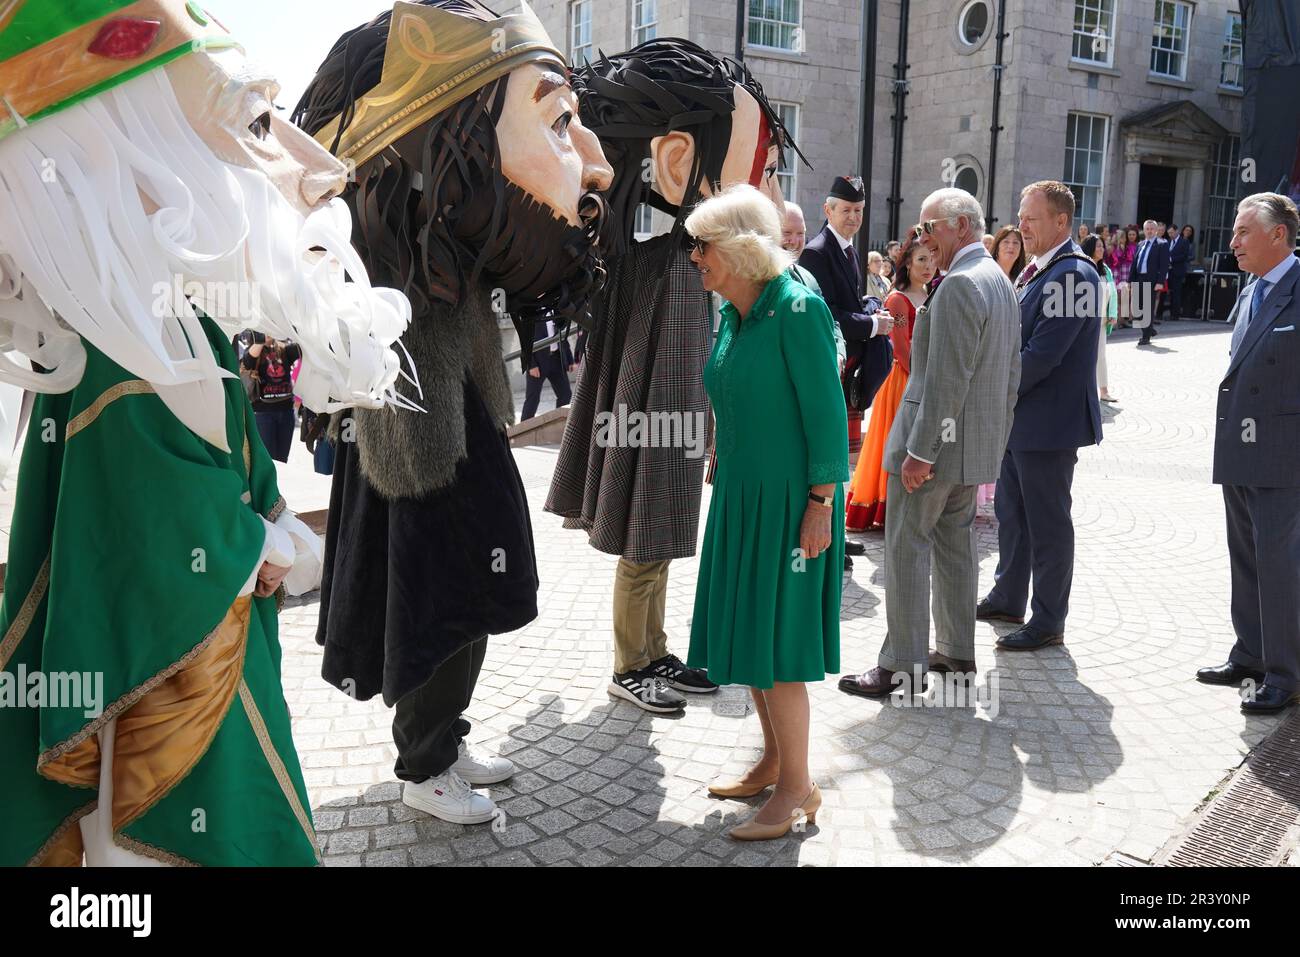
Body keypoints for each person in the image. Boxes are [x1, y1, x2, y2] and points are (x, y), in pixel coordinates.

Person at [0, 0, 412, 867]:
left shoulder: (139, 320)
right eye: (249, 121)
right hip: (170, 703)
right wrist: (271, 543)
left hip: (162, 677)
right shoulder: (135, 337)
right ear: (136, 145)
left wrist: (266, 529)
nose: (314, 168)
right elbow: (162, 533)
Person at [299, 0, 614, 825]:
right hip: (418, 428)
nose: (593, 162)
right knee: (441, 587)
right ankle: (424, 760)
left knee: (471, 577)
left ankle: (447, 733)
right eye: (557, 122)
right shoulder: (400, 202)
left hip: (452, 404)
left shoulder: (452, 228)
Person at [547, 40, 801, 713]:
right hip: (655, 422)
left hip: (674, 421)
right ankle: (631, 662)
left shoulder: (678, 260)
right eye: (758, 173)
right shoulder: (662, 261)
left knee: (656, 538)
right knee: (645, 535)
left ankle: (653, 650)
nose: (765, 193)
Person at [684, 186, 846, 840]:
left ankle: (798, 788)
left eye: (703, 246)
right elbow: (733, 388)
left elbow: (828, 419)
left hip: (790, 507)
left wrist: (819, 506)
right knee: (754, 638)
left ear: (739, 249)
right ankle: (776, 763)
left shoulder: (796, 308)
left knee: (780, 652)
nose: (695, 257)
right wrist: (723, 444)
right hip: (742, 499)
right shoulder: (734, 312)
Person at [839, 188, 1020, 697]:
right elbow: (1010, 373)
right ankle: (957, 653)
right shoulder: (998, 281)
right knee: (956, 549)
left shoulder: (962, 283)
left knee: (905, 547)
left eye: (929, 227)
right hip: (969, 448)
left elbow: (945, 379)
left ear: (960, 226)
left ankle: (902, 664)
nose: (922, 238)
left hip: (936, 450)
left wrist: (921, 452)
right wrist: (991, 440)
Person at [980, 181, 1102, 651]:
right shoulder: (1039, 269)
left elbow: (1044, 355)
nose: (1022, 225)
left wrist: (991, 389)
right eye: (1021, 215)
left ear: (1061, 222)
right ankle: (1009, 597)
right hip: (1022, 420)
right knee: (1013, 513)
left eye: (1032, 217)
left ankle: (1049, 618)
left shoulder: (1073, 275)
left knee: (1048, 522)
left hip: (1049, 425)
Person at [1197, 193, 1300, 714]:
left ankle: (1286, 674)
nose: (1232, 243)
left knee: (1281, 564)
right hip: (1240, 442)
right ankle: (1251, 654)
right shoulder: (1254, 288)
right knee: (1245, 556)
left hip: (1284, 454)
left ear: (1277, 235)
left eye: (1242, 233)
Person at [797, 175, 896, 467]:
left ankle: (833, 510)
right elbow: (825, 314)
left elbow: (846, 302)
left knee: (840, 457)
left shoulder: (848, 250)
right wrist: (874, 325)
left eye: (859, 210)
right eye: (846, 210)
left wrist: (870, 308)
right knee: (826, 456)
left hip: (847, 363)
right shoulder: (817, 252)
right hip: (831, 363)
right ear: (828, 211)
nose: (854, 217)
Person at [845, 234, 934, 531]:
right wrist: (922, 379)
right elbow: (900, 347)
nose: (928, 265)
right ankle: (887, 506)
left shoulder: (937, 293)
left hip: (926, 377)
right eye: (922, 259)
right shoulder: (897, 299)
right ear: (907, 263)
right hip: (903, 380)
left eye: (932, 258)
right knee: (896, 443)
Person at [780, 200, 846, 369]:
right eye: (786, 232)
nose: (794, 240)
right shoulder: (757, 280)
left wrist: (838, 354)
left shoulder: (807, 276)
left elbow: (829, 320)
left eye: (800, 233)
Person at [242, 335, 302, 462]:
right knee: (268, 459)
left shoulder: (283, 350)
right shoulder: (254, 349)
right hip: (263, 413)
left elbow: (301, 347)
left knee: (282, 459)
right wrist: (262, 339)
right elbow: (248, 360)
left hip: (285, 412)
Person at [1083, 235, 1118, 402]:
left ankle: (1104, 391)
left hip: (1102, 321)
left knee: (1101, 355)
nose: (1101, 249)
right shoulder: (1083, 268)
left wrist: (1113, 314)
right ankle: (1082, 390)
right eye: (1098, 246)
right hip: (1084, 322)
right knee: (1083, 355)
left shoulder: (1106, 270)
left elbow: (1113, 294)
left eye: (1102, 246)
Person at [520, 316, 575, 421]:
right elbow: (524, 340)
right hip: (538, 363)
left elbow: (563, 336)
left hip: (556, 359)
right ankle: (522, 429)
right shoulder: (530, 313)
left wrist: (569, 359)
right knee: (533, 399)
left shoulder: (555, 310)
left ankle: (560, 422)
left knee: (565, 394)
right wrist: (531, 365)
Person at [1131, 219, 1170, 344]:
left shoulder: (1161, 244)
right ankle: (1150, 329)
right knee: (1136, 310)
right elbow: (1135, 263)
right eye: (1147, 229)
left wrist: (1160, 281)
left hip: (1151, 280)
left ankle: (1145, 337)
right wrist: (1130, 280)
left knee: (1147, 308)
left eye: (1152, 229)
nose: (1149, 231)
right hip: (1139, 278)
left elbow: (1164, 265)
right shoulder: (1140, 244)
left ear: (1156, 230)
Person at [1165, 222, 1192, 320]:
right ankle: (1163, 313)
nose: (1170, 235)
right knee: (1168, 292)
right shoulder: (1167, 242)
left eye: (1172, 232)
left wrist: (1171, 259)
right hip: (1168, 272)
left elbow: (1184, 256)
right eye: (1169, 233)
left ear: (1177, 231)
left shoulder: (1184, 242)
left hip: (1178, 271)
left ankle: (1175, 314)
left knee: (1176, 293)